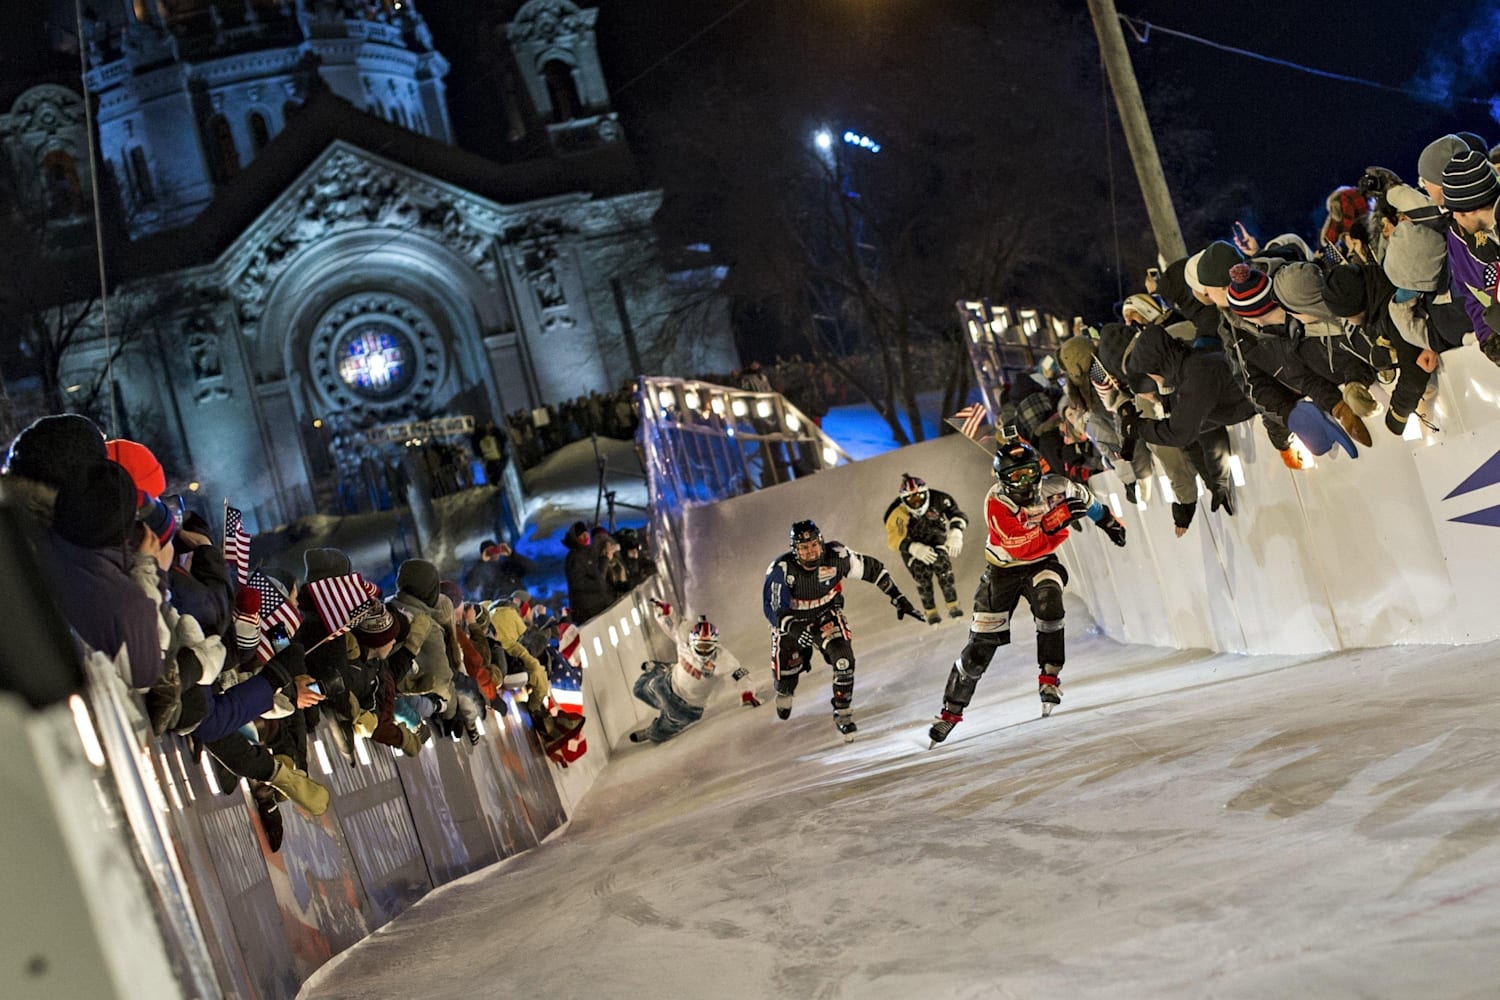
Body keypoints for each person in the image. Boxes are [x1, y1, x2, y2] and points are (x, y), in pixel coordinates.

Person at [927, 437, 1127, 746]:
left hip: (1041, 563)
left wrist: (1109, 523)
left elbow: (1088, 500)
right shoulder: (996, 502)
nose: (1026, 483)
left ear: (1040, 469)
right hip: (1002, 571)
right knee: (979, 649)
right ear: (1001, 480)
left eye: (1030, 472)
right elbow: (1017, 543)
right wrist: (1051, 522)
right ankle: (950, 711)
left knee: (1050, 604)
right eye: (1016, 477)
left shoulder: (1057, 486)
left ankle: (1049, 674)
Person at [761, 519, 922, 740]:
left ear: (822, 543)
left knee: (844, 660)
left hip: (825, 616)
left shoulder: (838, 555)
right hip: (792, 623)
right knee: (787, 676)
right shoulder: (782, 569)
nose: (810, 552)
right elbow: (773, 607)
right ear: (794, 550)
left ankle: (843, 712)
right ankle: (785, 687)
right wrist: (793, 627)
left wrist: (898, 597)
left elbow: (872, 570)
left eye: (814, 545)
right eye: (804, 548)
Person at [628, 601, 759, 744]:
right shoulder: (684, 634)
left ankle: (650, 731)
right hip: (667, 685)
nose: (703, 651)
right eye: (700, 646)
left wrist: (747, 693)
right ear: (692, 641)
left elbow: (740, 675)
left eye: (707, 647)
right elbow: (672, 622)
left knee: (658, 734)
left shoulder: (723, 659)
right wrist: (663, 612)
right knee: (638, 690)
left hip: (687, 709)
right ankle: (659, 670)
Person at [882, 474, 968, 624]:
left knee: (943, 568)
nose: (916, 503)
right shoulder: (895, 512)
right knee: (922, 575)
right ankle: (930, 611)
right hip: (912, 546)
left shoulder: (940, 499)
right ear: (904, 500)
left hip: (936, 538)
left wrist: (956, 531)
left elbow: (956, 513)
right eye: (911, 500)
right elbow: (892, 538)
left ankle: (953, 605)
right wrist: (910, 547)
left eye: (919, 497)